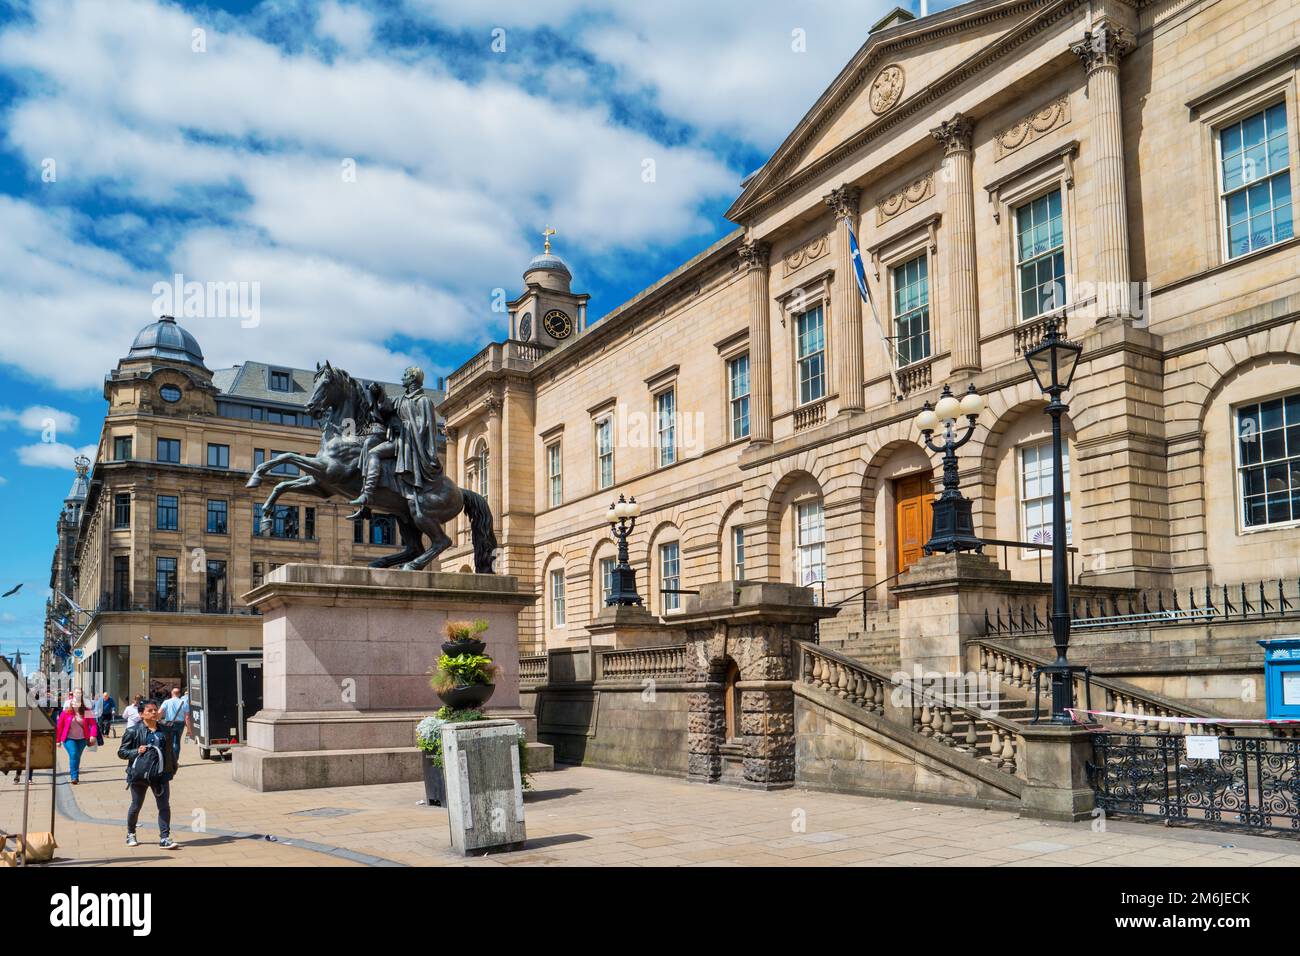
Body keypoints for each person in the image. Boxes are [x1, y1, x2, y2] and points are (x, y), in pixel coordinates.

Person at [347, 366, 441, 516]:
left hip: (411, 445)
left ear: (412, 378)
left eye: (405, 375)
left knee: (374, 454)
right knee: (367, 444)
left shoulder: (424, 401)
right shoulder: (401, 399)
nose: (402, 377)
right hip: (399, 440)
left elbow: (425, 426)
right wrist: (379, 393)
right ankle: (365, 501)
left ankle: (368, 493)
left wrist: (404, 426)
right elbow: (386, 407)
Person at [118, 701, 179, 850]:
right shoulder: (133, 731)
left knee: (164, 806)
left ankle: (164, 838)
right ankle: (131, 833)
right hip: (139, 775)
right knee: (136, 805)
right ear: (141, 714)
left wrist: (172, 767)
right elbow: (121, 752)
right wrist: (136, 751)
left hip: (160, 775)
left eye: (155, 710)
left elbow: (170, 751)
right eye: (150, 710)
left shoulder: (165, 730)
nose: (153, 713)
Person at [55, 699, 99, 785]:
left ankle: (75, 775)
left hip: (82, 739)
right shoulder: (65, 712)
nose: (75, 704)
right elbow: (59, 727)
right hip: (68, 738)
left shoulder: (87, 711)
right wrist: (58, 740)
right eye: (74, 702)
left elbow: (93, 724)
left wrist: (93, 735)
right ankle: (74, 777)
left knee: (77, 756)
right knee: (74, 753)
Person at [159, 687, 189, 761]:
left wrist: (157, 720)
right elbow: (187, 717)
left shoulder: (166, 702)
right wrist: (189, 728)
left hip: (168, 724)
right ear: (179, 694)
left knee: (168, 742)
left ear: (172, 693)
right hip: (180, 724)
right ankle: (175, 761)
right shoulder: (184, 702)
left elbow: (160, 712)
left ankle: (168, 760)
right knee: (177, 742)